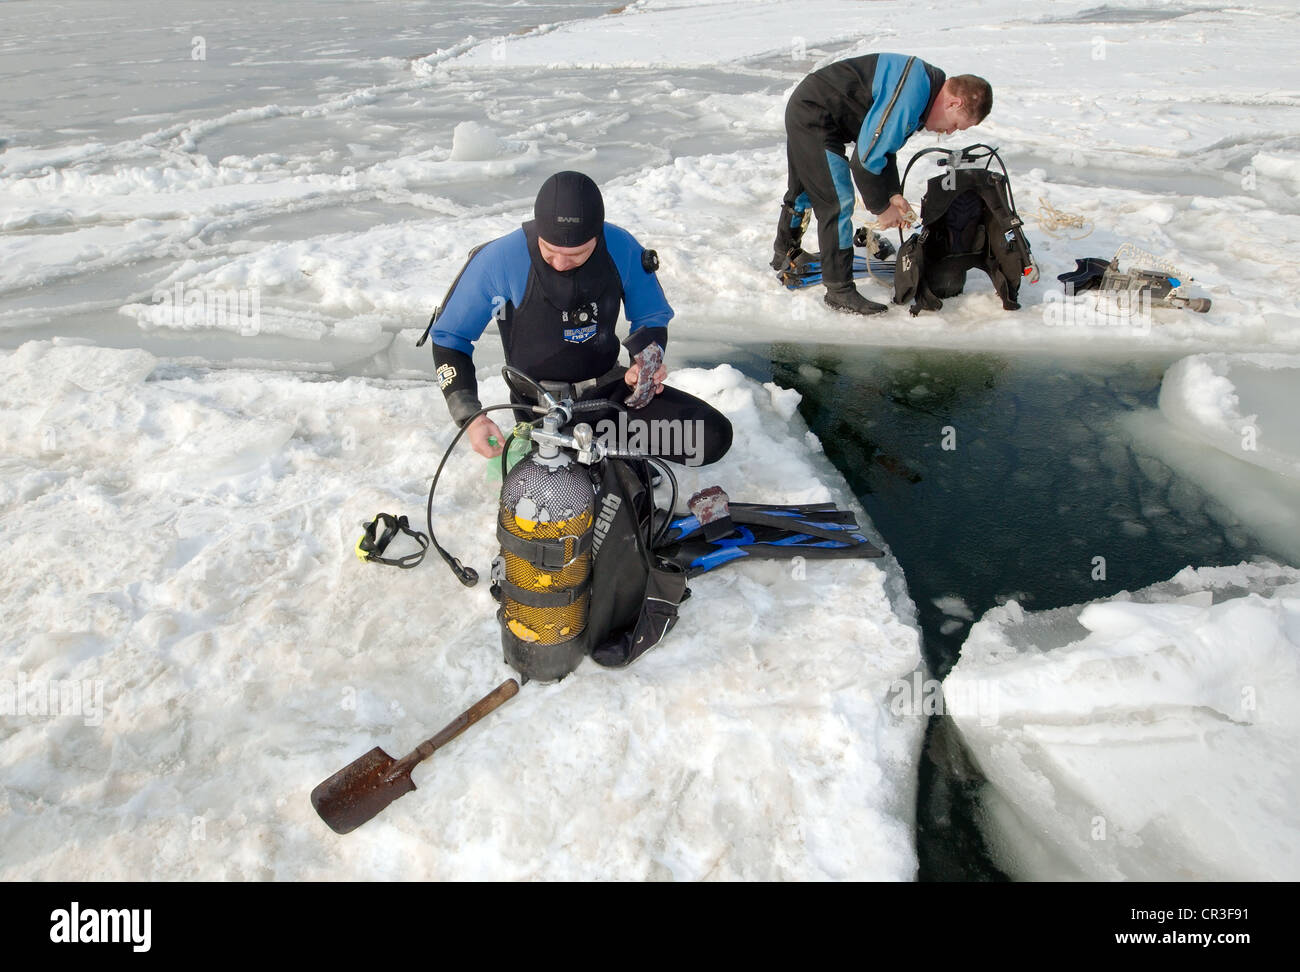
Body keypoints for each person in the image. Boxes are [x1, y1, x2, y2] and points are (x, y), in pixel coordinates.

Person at [429, 171, 732, 466]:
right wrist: (471, 417)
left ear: (596, 236)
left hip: (608, 398)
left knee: (711, 435)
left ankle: (612, 455)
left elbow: (651, 315)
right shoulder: (500, 259)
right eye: (550, 252)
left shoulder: (621, 247)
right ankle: (604, 459)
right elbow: (450, 338)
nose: (561, 263)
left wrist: (644, 364)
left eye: (576, 254)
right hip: (541, 412)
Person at [770, 53, 992, 315]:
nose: (949, 132)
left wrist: (892, 194)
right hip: (814, 115)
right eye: (956, 125)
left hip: (813, 107)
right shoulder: (913, 96)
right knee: (837, 201)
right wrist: (880, 208)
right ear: (954, 103)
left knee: (804, 192)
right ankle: (839, 290)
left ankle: (784, 252)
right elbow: (865, 159)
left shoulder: (922, 87)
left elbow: (885, 149)